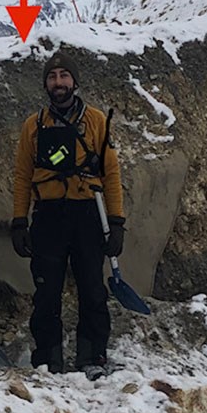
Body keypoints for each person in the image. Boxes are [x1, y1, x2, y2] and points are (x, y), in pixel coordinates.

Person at [10, 52, 125, 380]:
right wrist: (20, 221)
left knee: (92, 288)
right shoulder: (33, 126)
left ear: (74, 82)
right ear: (46, 84)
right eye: (52, 76)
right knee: (46, 291)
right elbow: (22, 176)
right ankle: (48, 358)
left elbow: (111, 174)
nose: (58, 82)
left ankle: (92, 355)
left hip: (88, 214)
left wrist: (116, 222)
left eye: (64, 76)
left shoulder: (97, 122)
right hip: (48, 216)